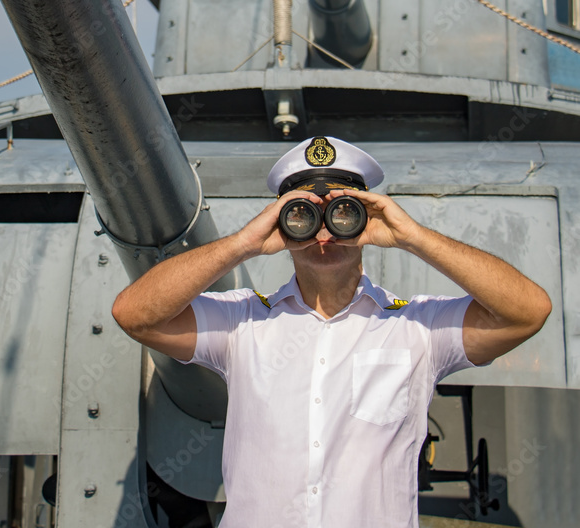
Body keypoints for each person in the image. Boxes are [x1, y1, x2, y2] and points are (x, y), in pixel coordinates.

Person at [112, 136, 551, 528]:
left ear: (365, 219)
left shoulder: (417, 328)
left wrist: (413, 237)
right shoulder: (241, 323)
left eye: (343, 214)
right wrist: (242, 243)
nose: (324, 234)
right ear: (283, 222)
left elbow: (527, 312)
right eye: (302, 216)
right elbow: (135, 315)